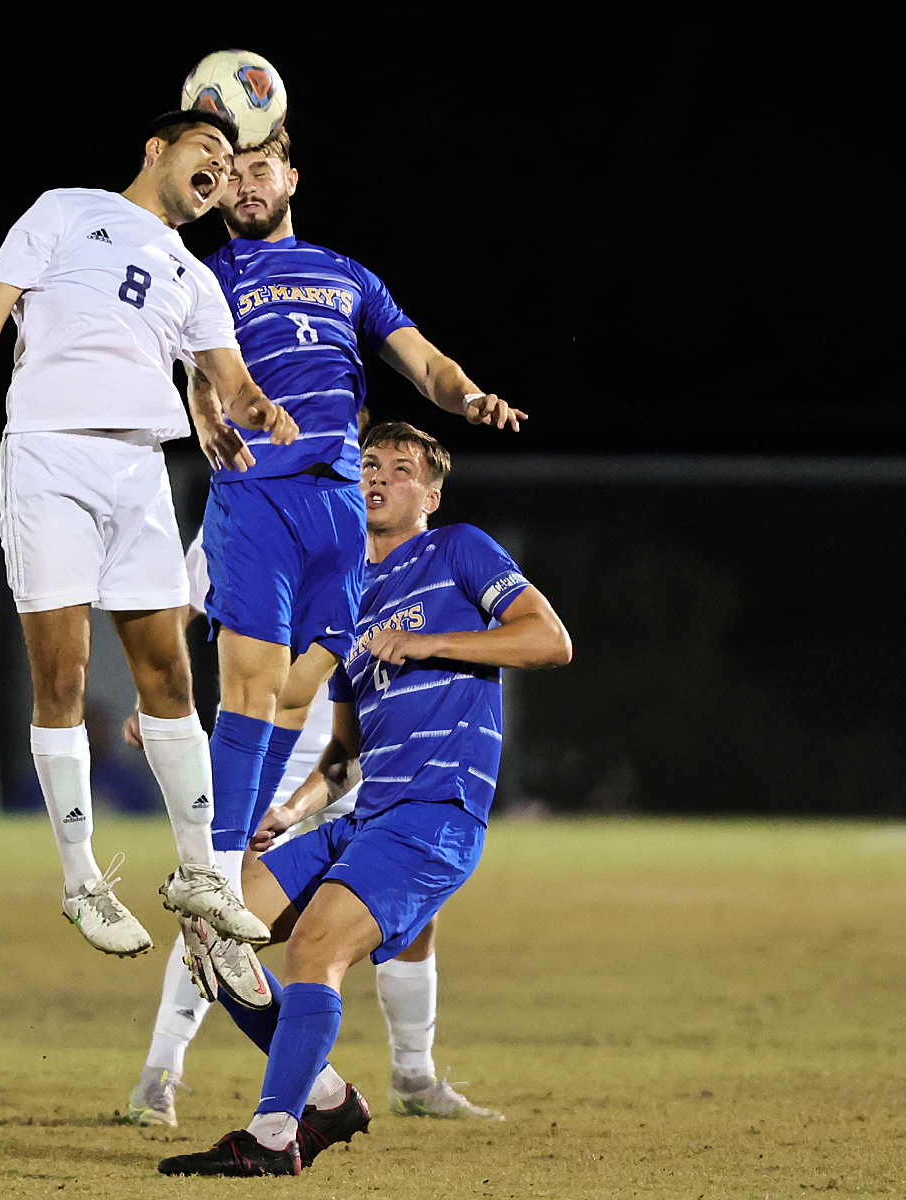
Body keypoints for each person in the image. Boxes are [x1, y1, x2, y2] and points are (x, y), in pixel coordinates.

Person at [0, 109, 298, 959]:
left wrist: (259, 410)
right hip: (49, 458)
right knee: (63, 673)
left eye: (228, 157)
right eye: (205, 150)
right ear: (156, 150)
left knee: (170, 675)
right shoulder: (65, 210)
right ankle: (80, 881)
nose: (218, 166)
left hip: (137, 470)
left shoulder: (194, 277)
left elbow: (231, 381)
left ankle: (199, 873)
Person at [157, 422, 573, 1176]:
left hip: (436, 816)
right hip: (362, 817)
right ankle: (326, 1097)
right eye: (370, 464)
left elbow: (549, 639)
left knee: (316, 946)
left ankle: (275, 1137)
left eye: (402, 469)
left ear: (431, 494)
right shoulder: (347, 592)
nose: (380, 477)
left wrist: (429, 642)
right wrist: (294, 810)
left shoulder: (458, 551)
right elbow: (346, 755)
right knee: (212, 929)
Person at [178, 130, 528, 1013]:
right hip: (260, 489)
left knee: (301, 690)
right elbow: (194, 367)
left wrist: (468, 393)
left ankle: (231, 866)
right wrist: (208, 413)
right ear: (214, 195)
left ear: (291, 177)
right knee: (254, 685)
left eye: (263, 170)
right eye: (232, 178)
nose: (248, 186)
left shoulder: (348, 275)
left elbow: (425, 364)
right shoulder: (209, 277)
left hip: (333, 505)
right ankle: (218, 867)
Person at [125, 529, 505, 1126]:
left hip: (368, 772)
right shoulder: (248, 500)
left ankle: (410, 1073)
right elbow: (186, 606)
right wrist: (163, 702)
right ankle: (164, 1070)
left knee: (405, 913)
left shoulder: (385, 550)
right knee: (221, 911)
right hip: (267, 750)